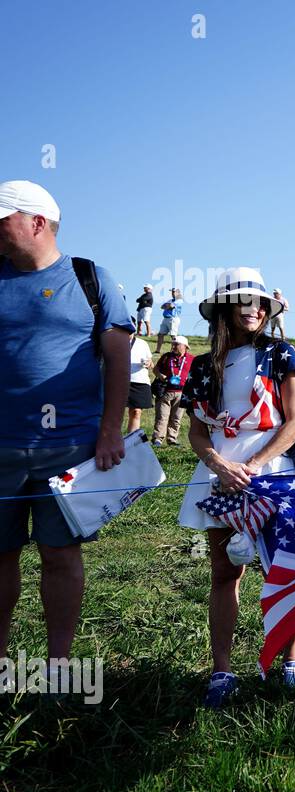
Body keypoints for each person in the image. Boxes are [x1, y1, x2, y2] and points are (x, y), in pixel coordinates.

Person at [0, 180, 132, 675]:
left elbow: (118, 360)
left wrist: (110, 430)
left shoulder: (90, 279)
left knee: (59, 555)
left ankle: (58, 666)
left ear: (36, 221)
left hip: (68, 450)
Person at [177, 268, 295, 708]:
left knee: (279, 569)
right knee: (224, 572)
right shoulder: (200, 365)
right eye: (242, 302)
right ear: (225, 310)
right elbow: (196, 432)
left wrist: (252, 465)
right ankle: (222, 670)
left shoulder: (281, 353)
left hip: (271, 472)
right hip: (219, 475)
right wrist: (219, 464)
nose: (252, 309)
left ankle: (290, 659)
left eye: (258, 303)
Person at [152, 335, 193, 446]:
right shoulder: (166, 357)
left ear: (185, 346)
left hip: (182, 393)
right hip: (165, 391)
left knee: (176, 417)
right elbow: (155, 370)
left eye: (176, 344)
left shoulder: (191, 359)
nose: (173, 346)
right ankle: (158, 439)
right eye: (172, 344)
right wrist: (162, 377)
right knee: (162, 416)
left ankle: (172, 438)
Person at [125, 333, 153, 435]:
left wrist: (149, 363)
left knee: (136, 412)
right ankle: (112, 440)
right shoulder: (115, 341)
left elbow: (151, 362)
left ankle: (131, 441)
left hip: (140, 381)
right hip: (119, 380)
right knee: (115, 413)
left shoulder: (142, 343)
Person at [155, 287, 182, 354]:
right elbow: (162, 306)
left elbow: (171, 306)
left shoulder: (179, 300)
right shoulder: (171, 300)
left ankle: (173, 351)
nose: (172, 293)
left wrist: (167, 306)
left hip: (173, 319)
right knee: (160, 334)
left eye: (174, 292)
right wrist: (167, 306)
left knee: (173, 335)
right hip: (166, 318)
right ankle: (158, 350)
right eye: (172, 292)